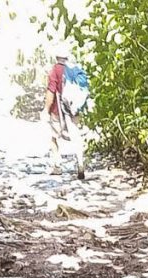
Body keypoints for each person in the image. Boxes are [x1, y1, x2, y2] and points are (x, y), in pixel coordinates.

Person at [41, 50, 85, 180]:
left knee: (53, 137)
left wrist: (46, 109)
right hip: (74, 108)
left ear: (56, 56)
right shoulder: (74, 69)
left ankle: (56, 166)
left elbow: (51, 90)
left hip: (58, 109)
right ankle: (80, 164)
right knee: (76, 135)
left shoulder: (55, 70)